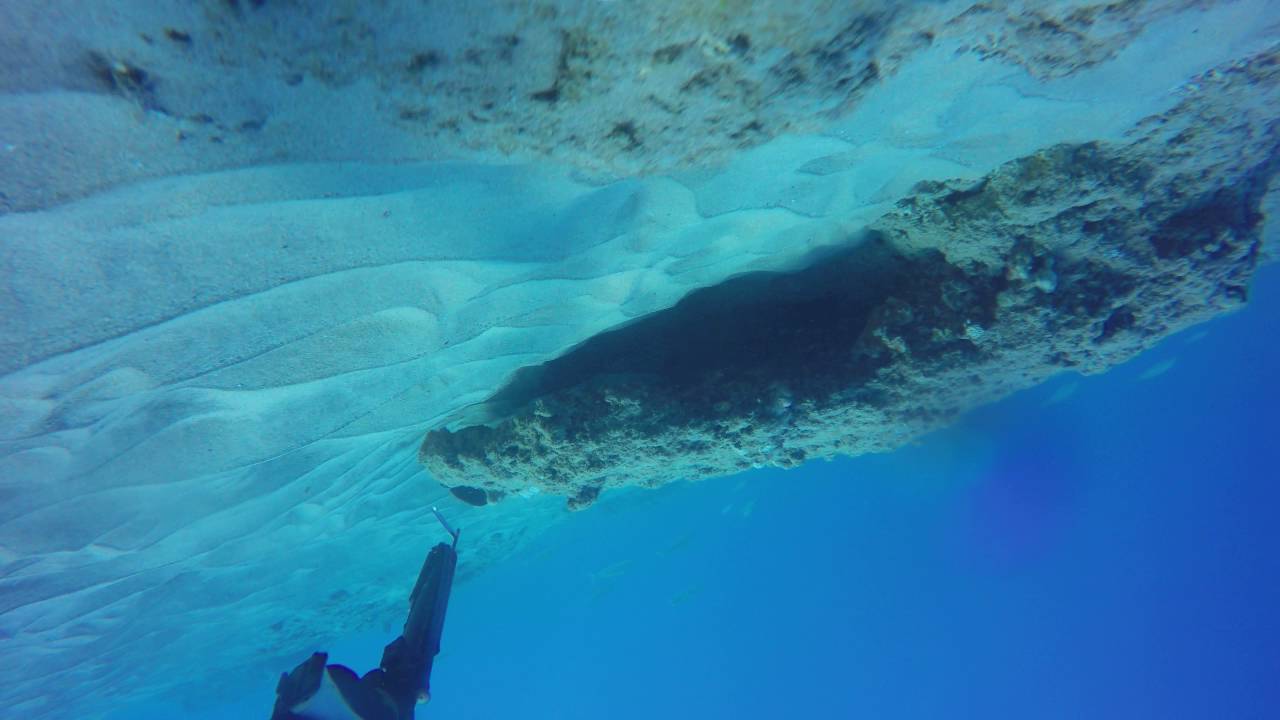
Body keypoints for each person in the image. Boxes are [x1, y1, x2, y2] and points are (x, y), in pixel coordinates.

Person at [270, 508, 460, 720]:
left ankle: (444, 557)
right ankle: (443, 557)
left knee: (406, 683)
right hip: (308, 696)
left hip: (320, 699)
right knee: (405, 683)